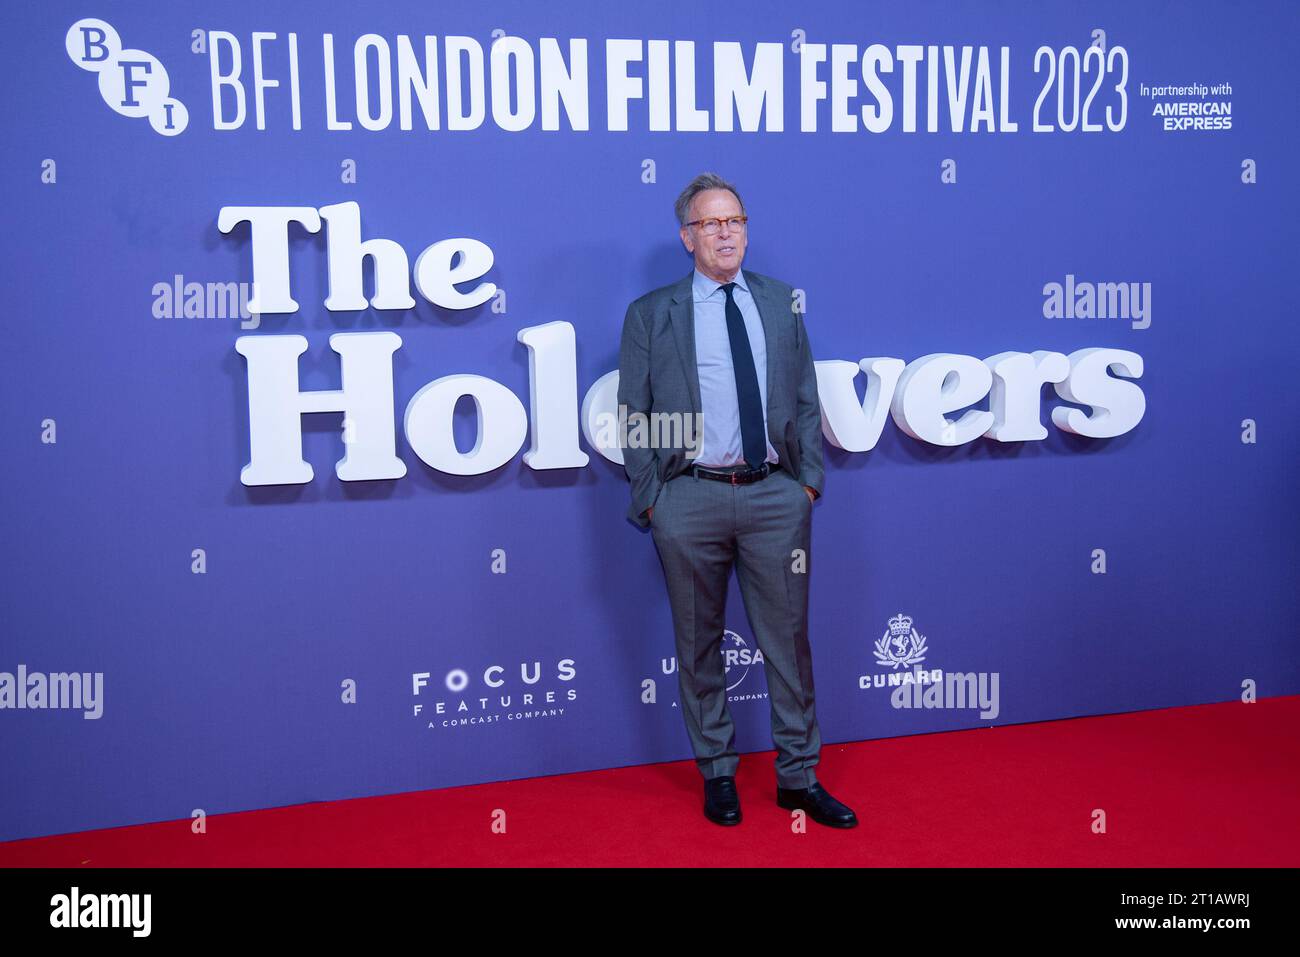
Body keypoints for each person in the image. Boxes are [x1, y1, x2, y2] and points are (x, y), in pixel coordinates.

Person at [617, 172, 857, 828]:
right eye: (712, 223)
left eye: (736, 221)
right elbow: (634, 414)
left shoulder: (782, 303)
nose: (726, 232)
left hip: (775, 499)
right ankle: (717, 771)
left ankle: (799, 777)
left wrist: (805, 484)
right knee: (697, 644)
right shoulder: (652, 313)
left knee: (789, 642)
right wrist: (654, 500)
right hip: (687, 499)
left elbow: (806, 398)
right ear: (687, 238)